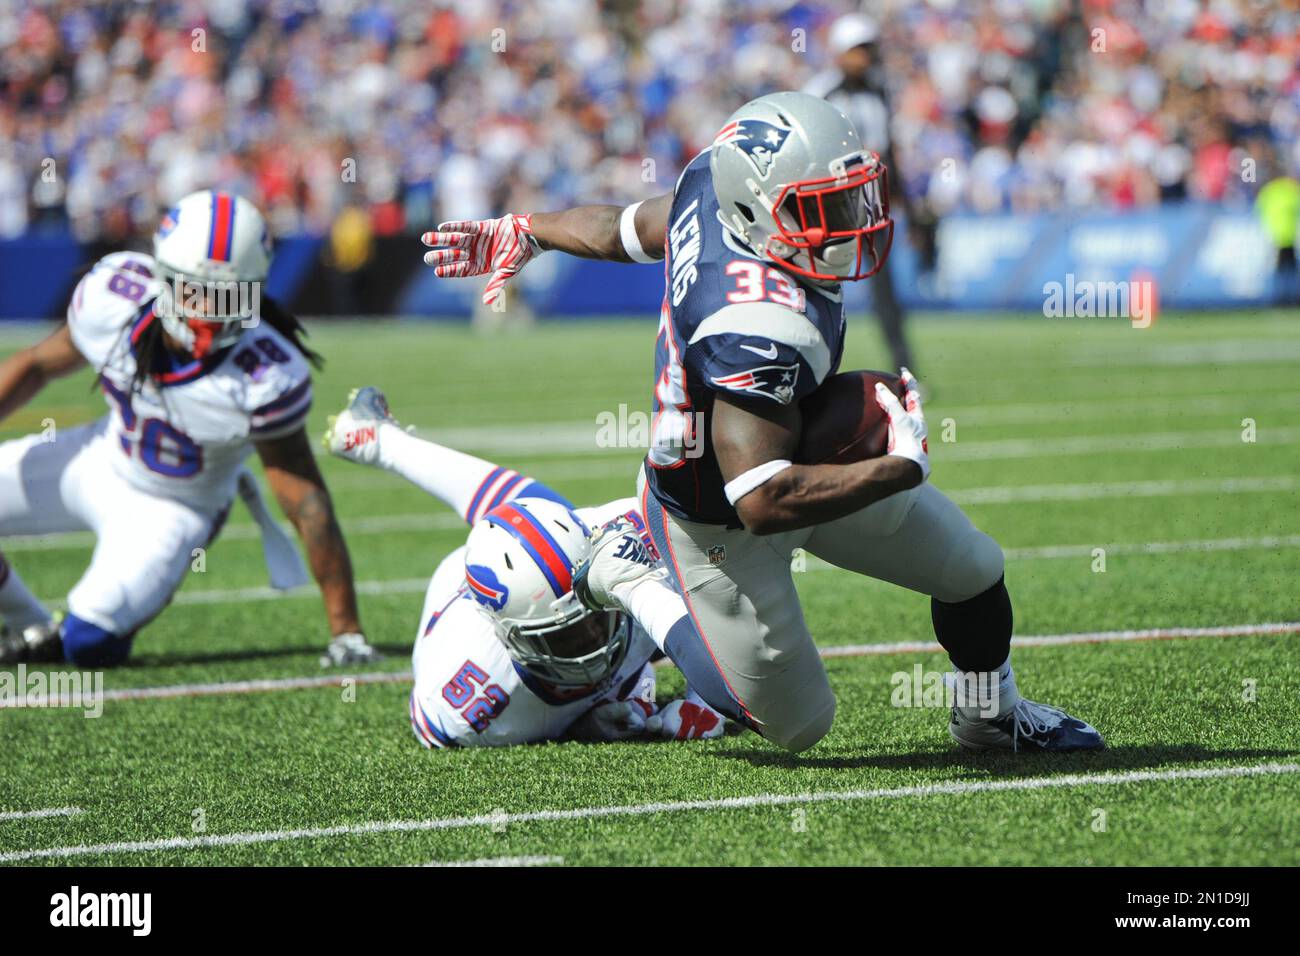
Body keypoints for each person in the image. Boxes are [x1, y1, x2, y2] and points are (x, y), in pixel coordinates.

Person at [420, 91, 1103, 754]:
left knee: (973, 568)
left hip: (783, 451)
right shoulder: (758, 324)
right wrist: (897, 467)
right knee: (799, 724)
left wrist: (528, 230)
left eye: (848, 196)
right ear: (755, 206)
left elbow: (620, 229)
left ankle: (991, 718)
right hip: (715, 519)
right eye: (822, 208)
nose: (847, 220)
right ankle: (631, 579)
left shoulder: (711, 189)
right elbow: (762, 499)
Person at [0, 190, 379, 668]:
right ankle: (29, 624)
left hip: (177, 504)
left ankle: (57, 639)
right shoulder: (114, 301)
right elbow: (36, 365)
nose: (208, 311)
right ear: (163, 277)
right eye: (195, 291)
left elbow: (304, 500)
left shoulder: (263, 375)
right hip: (102, 456)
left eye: (229, 297)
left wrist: (346, 629)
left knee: (89, 644)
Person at [324, 387, 725, 747]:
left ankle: (379, 442)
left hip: (585, 543)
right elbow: (429, 723)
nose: (592, 647)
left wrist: (703, 701)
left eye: (595, 618)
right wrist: (578, 724)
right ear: (511, 639)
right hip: (461, 592)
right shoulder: (466, 702)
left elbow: (726, 580)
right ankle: (380, 442)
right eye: (565, 639)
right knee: (531, 532)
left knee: (552, 524)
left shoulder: (626, 539)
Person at [803, 13, 920, 375]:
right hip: (828, 205)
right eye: (857, 50)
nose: (864, 57)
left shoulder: (879, 90)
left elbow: (890, 151)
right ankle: (808, 369)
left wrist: (908, 207)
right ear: (840, 52)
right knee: (815, 286)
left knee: (886, 293)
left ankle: (904, 367)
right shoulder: (820, 92)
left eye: (868, 49)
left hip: (870, 203)